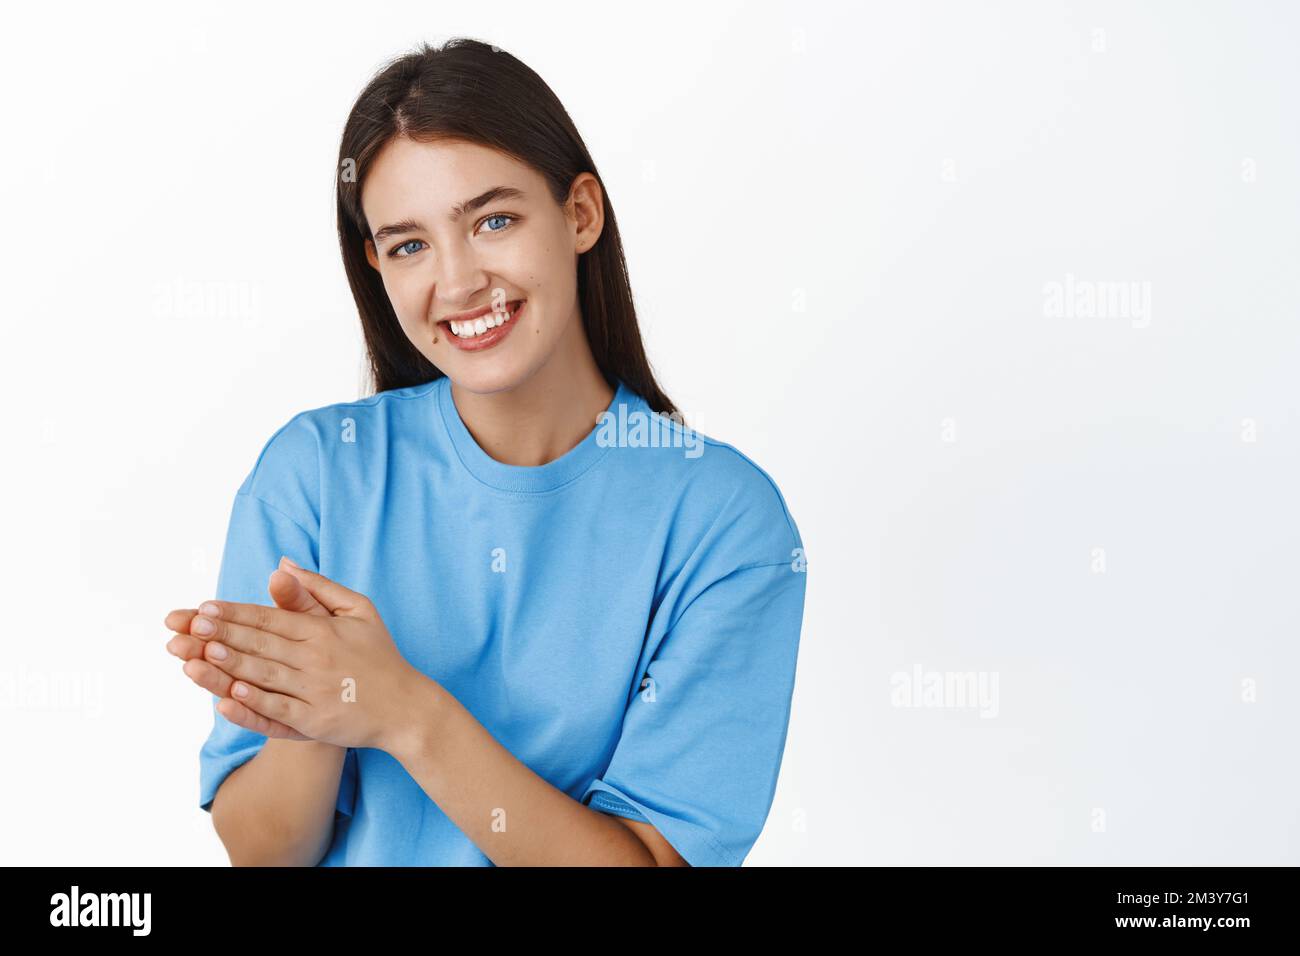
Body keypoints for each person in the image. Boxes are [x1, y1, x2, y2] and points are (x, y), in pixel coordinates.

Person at [163, 37, 807, 867]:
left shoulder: (725, 523)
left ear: (580, 213)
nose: (459, 281)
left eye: (493, 221)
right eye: (409, 245)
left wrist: (402, 710)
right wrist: (315, 707)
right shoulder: (315, 473)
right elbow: (265, 854)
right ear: (376, 265)